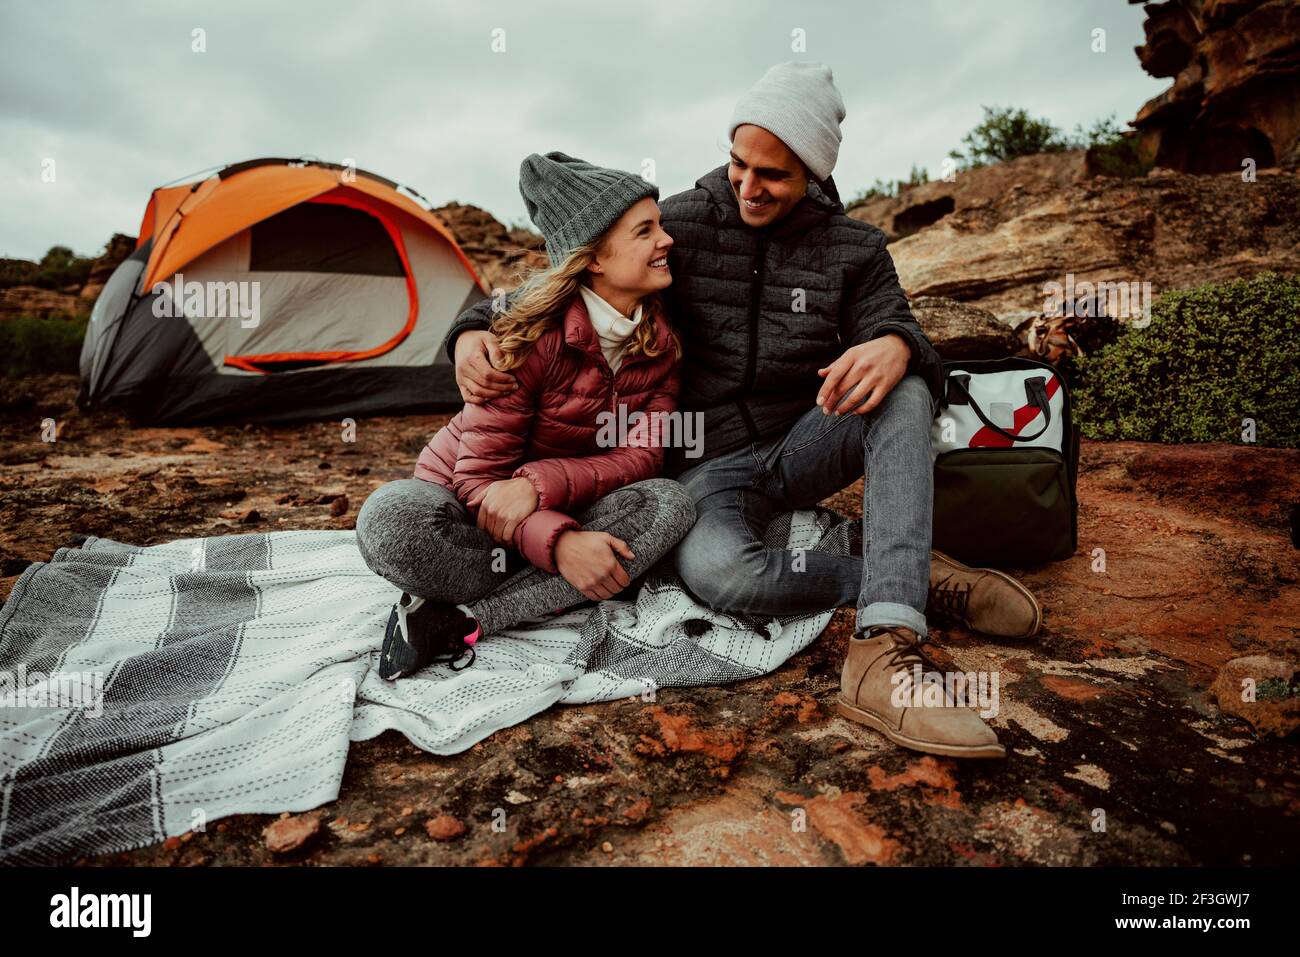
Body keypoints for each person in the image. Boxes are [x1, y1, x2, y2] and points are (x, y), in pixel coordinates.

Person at [444, 63, 1041, 759]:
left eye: (774, 176)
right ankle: (905, 573)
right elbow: (574, 271)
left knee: (905, 387)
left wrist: (896, 345)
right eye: (738, 163)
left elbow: (902, 330)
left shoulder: (856, 250)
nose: (749, 186)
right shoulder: (681, 224)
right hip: (705, 461)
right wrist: (471, 327)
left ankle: (883, 650)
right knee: (723, 574)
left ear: (813, 174)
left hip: (805, 443)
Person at [355, 152, 695, 680]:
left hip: (566, 506)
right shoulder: (528, 335)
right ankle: (549, 587)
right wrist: (559, 547)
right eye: (644, 230)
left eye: (661, 226)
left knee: (670, 504)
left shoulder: (662, 347)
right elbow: (476, 480)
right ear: (595, 259)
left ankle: (459, 619)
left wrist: (542, 491)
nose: (666, 240)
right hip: (466, 508)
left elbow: (644, 455)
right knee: (391, 522)